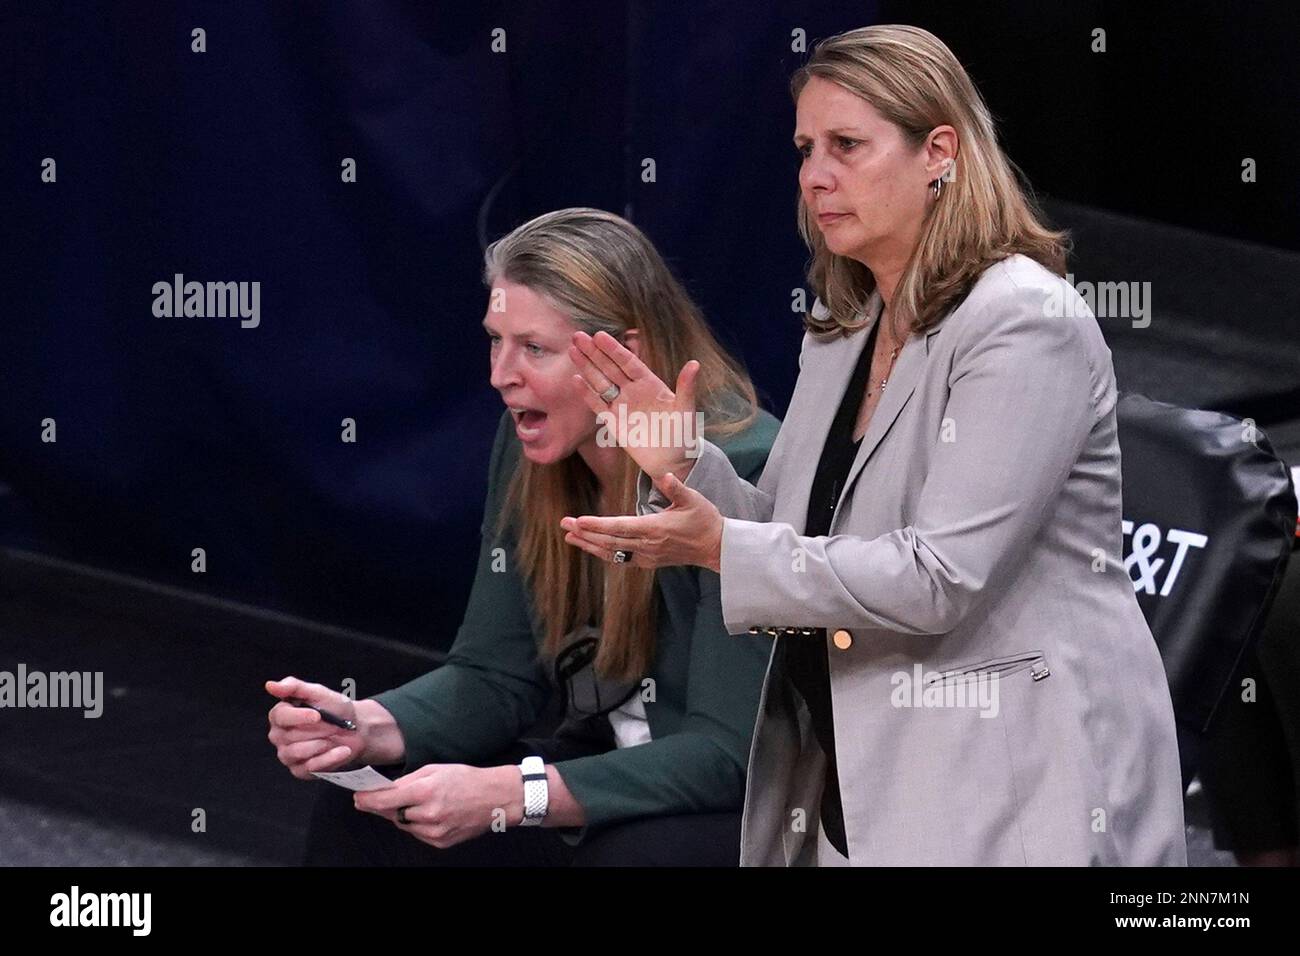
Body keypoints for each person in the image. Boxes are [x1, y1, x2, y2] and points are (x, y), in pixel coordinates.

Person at [562, 25, 1188, 866]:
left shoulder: (1023, 323)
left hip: (1016, 784)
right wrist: (679, 459)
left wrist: (721, 548)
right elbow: (794, 533)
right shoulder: (845, 325)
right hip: (858, 771)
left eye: (847, 145)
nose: (816, 176)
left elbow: (940, 578)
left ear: (940, 152)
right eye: (805, 148)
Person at [266, 207, 779, 865]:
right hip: (607, 766)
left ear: (625, 356)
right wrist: (371, 726)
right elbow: (495, 675)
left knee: (632, 858)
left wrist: (515, 794)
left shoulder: (742, 468)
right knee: (370, 811)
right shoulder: (531, 440)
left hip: (741, 805)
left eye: (534, 348)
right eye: (495, 340)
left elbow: (727, 753)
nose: (500, 375)